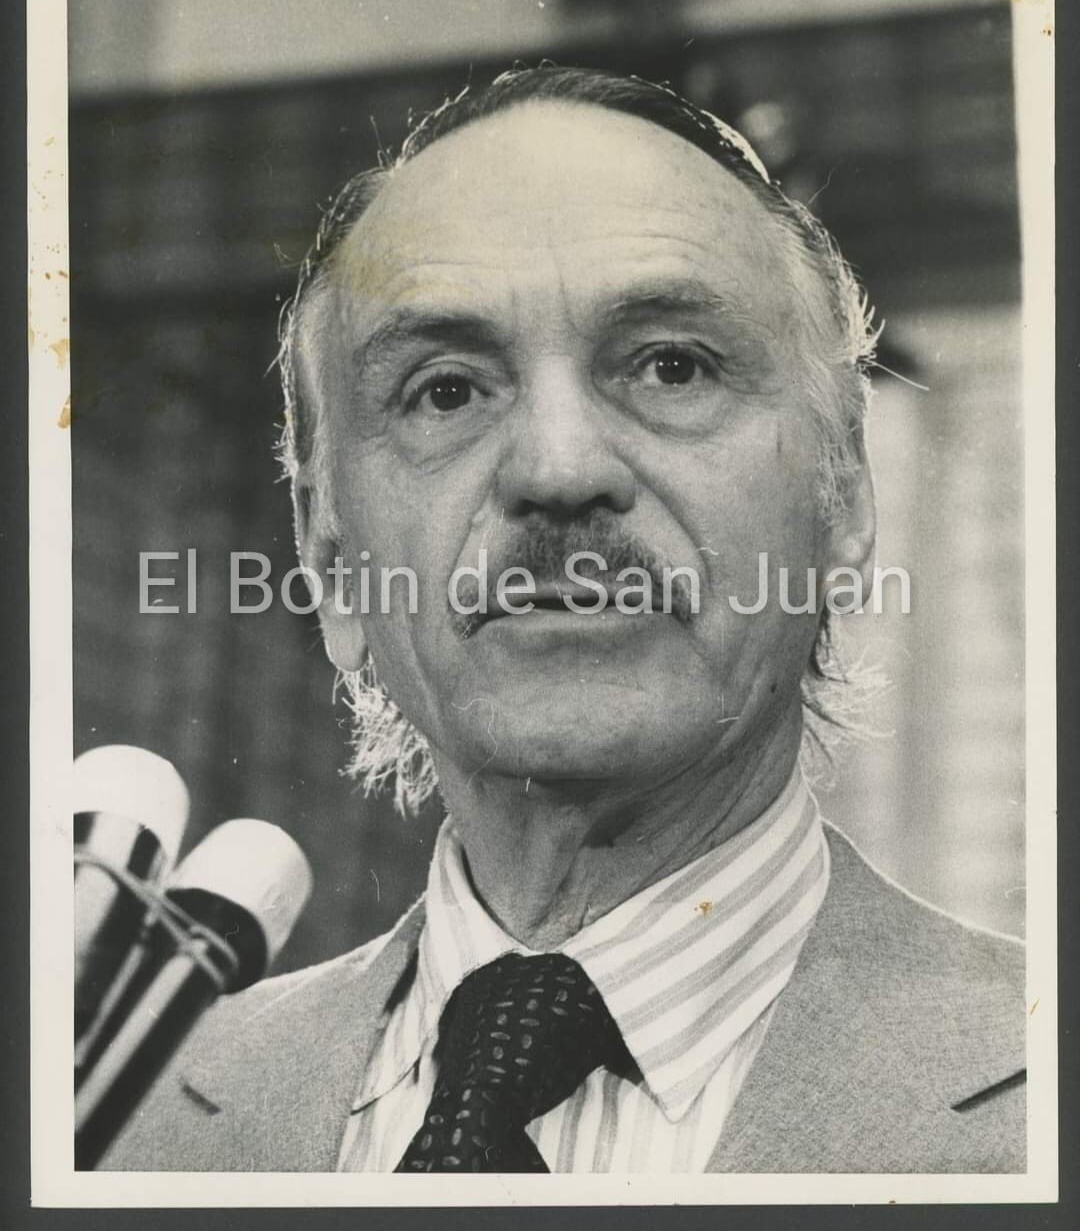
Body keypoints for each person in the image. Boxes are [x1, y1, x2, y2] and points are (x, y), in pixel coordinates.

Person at [103, 66, 1025, 1174]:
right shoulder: (108, 1126)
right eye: (445, 389)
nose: (558, 469)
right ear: (332, 562)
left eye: (672, 365)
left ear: (844, 500)